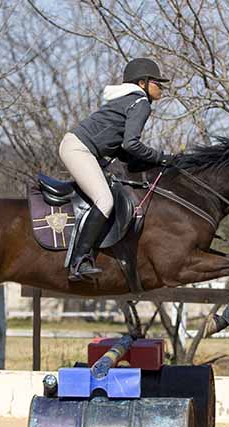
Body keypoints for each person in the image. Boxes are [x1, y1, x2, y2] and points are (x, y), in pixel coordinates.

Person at [59, 58, 171, 281]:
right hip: (80, 150)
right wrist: (161, 157)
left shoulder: (126, 99)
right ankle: (79, 262)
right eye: (157, 82)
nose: (161, 87)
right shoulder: (140, 103)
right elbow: (131, 144)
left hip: (77, 147)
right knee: (105, 200)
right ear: (143, 82)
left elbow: (120, 147)